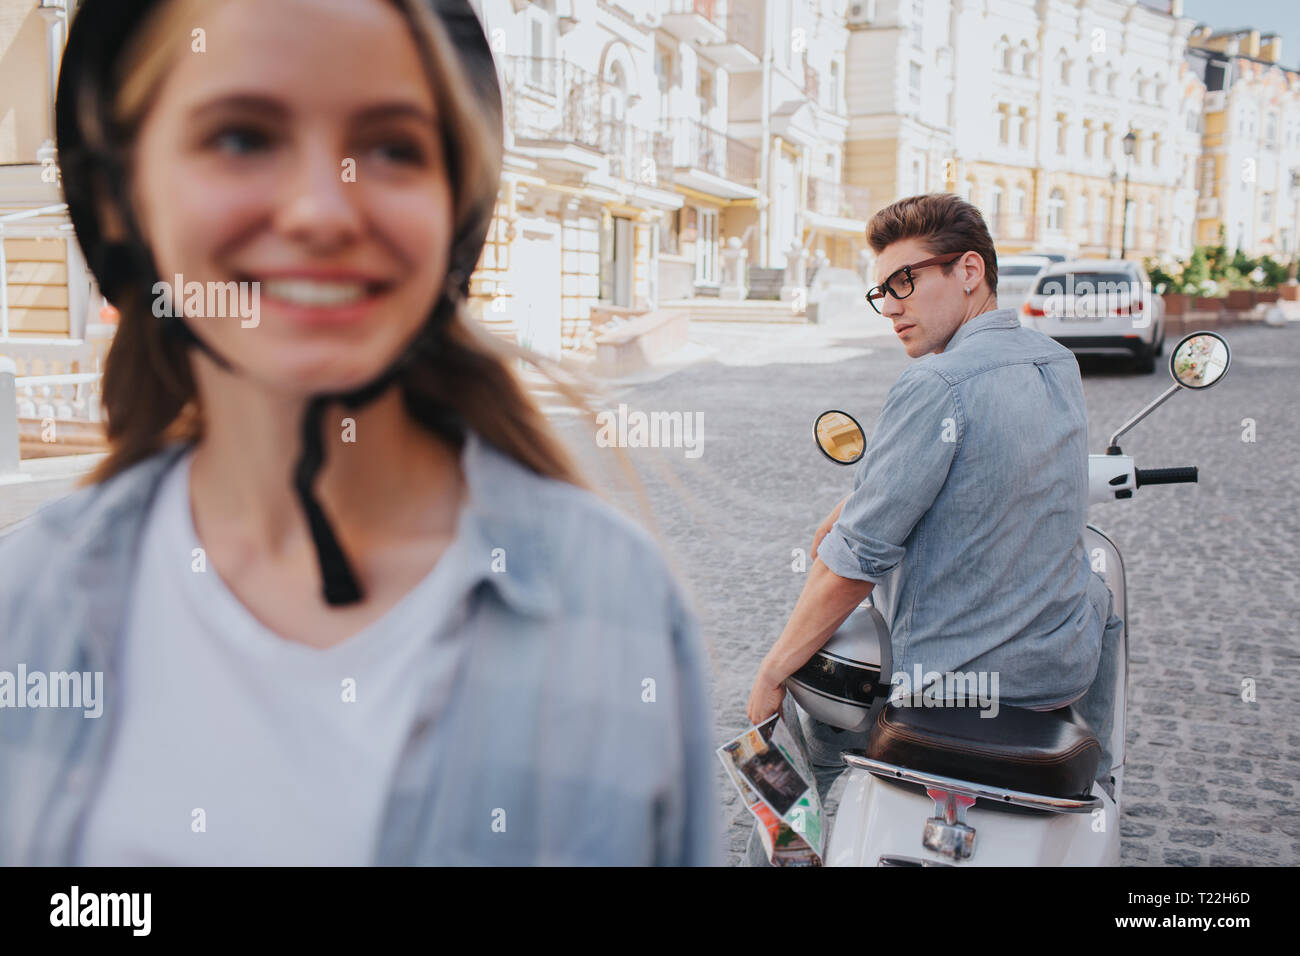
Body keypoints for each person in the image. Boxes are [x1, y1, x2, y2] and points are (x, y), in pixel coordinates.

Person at [0, 0, 719, 866]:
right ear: (121, 198)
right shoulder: (27, 604)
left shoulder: (619, 610)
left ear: (455, 207)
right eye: (240, 136)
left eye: (391, 148)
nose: (322, 212)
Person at [744, 193, 1122, 864]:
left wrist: (772, 670)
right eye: (880, 291)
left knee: (792, 734)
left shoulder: (936, 385)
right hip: (1052, 676)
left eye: (904, 282)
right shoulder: (1057, 365)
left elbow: (851, 561)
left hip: (946, 686)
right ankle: (1110, 778)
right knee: (1101, 600)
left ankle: (782, 853)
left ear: (969, 271)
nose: (890, 305)